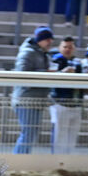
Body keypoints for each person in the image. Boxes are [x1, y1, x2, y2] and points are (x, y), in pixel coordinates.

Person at [11, 26, 54, 154]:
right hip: (26, 99)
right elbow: (22, 74)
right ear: (40, 39)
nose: (50, 42)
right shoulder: (28, 53)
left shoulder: (41, 53)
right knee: (28, 133)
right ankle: (18, 159)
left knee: (31, 133)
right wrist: (46, 73)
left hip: (36, 99)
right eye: (47, 39)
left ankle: (21, 158)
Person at [48, 36, 83, 154]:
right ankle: (56, 159)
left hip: (76, 103)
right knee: (59, 135)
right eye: (65, 47)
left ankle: (69, 159)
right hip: (60, 102)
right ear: (60, 48)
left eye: (70, 47)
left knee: (72, 135)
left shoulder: (78, 63)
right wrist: (62, 73)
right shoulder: (55, 60)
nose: (68, 49)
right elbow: (50, 77)